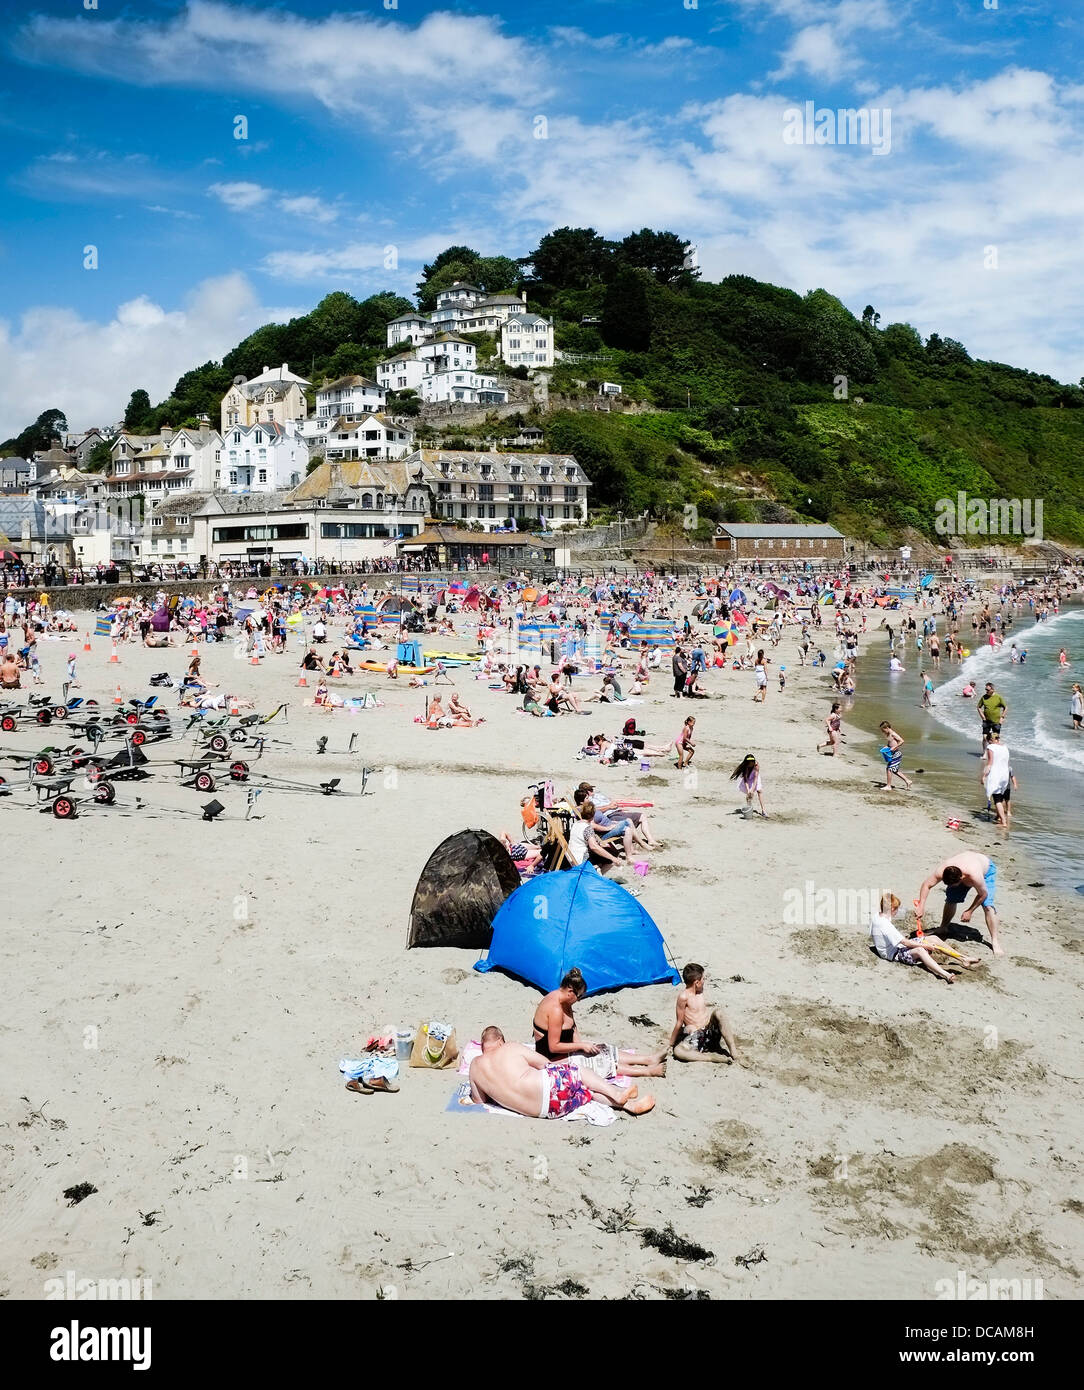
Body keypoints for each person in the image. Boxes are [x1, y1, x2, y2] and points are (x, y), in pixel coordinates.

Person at [468, 1027, 655, 1117]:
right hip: (550, 1089)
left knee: (586, 1093)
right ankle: (617, 1094)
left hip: (548, 1111)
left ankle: (629, 1106)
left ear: (483, 1045)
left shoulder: (475, 1066)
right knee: (578, 1072)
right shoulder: (511, 1047)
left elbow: (480, 1101)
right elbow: (545, 1064)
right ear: (500, 1040)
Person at [532, 969, 666, 1076]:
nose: (579, 1000)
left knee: (601, 1049)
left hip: (565, 1049)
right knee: (598, 1061)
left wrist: (581, 1046)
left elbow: (573, 1027)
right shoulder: (556, 1009)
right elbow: (553, 1047)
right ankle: (646, 1071)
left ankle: (647, 1059)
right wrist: (580, 1047)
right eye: (579, 996)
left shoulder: (565, 1000)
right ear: (570, 991)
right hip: (551, 1058)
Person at [869, 893, 981, 983]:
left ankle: (964, 959)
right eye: (896, 909)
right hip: (893, 954)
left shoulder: (877, 915)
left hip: (897, 946)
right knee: (920, 950)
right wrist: (925, 945)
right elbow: (905, 942)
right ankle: (945, 974)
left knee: (934, 938)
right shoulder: (885, 924)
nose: (898, 911)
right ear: (892, 908)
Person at [915, 850, 1003, 956]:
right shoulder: (943, 870)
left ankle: (995, 942)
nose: (951, 886)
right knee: (951, 898)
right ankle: (943, 927)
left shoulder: (974, 874)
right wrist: (921, 906)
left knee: (987, 905)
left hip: (986, 870)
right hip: (965, 866)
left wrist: (970, 911)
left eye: (953, 884)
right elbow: (926, 885)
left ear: (962, 878)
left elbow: (983, 894)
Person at [669, 963, 742, 1064]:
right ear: (697, 983)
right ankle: (710, 1058)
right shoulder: (683, 997)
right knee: (678, 1051)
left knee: (719, 1012)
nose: (704, 981)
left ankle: (734, 1052)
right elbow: (679, 1022)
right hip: (696, 1037)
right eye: (703, 979)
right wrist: (671, 1044)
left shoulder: (700, 990)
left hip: (710, 1032)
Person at [981, 730, 1012, 826]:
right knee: (1001, 797)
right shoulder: (1005, 747)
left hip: (996, 774)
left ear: (990, 740)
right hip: (1005, 774)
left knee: (997, 799)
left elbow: (990, 763)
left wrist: (984, 776)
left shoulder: (991, 747)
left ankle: (1003, 821)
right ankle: (999, 816)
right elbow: (1007, 763)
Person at [877, 720, 912, 791]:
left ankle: (888, 786)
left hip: (896, 754)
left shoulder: (893, 734)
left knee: (889, 769)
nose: (882, 732)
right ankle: (908, 781)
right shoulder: (888, 735)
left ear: (886, 728)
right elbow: (890, 744)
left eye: (883, 730)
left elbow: (902, 741)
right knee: (894, 770)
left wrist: (895, 747)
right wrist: (886, 747)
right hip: (892, 754)